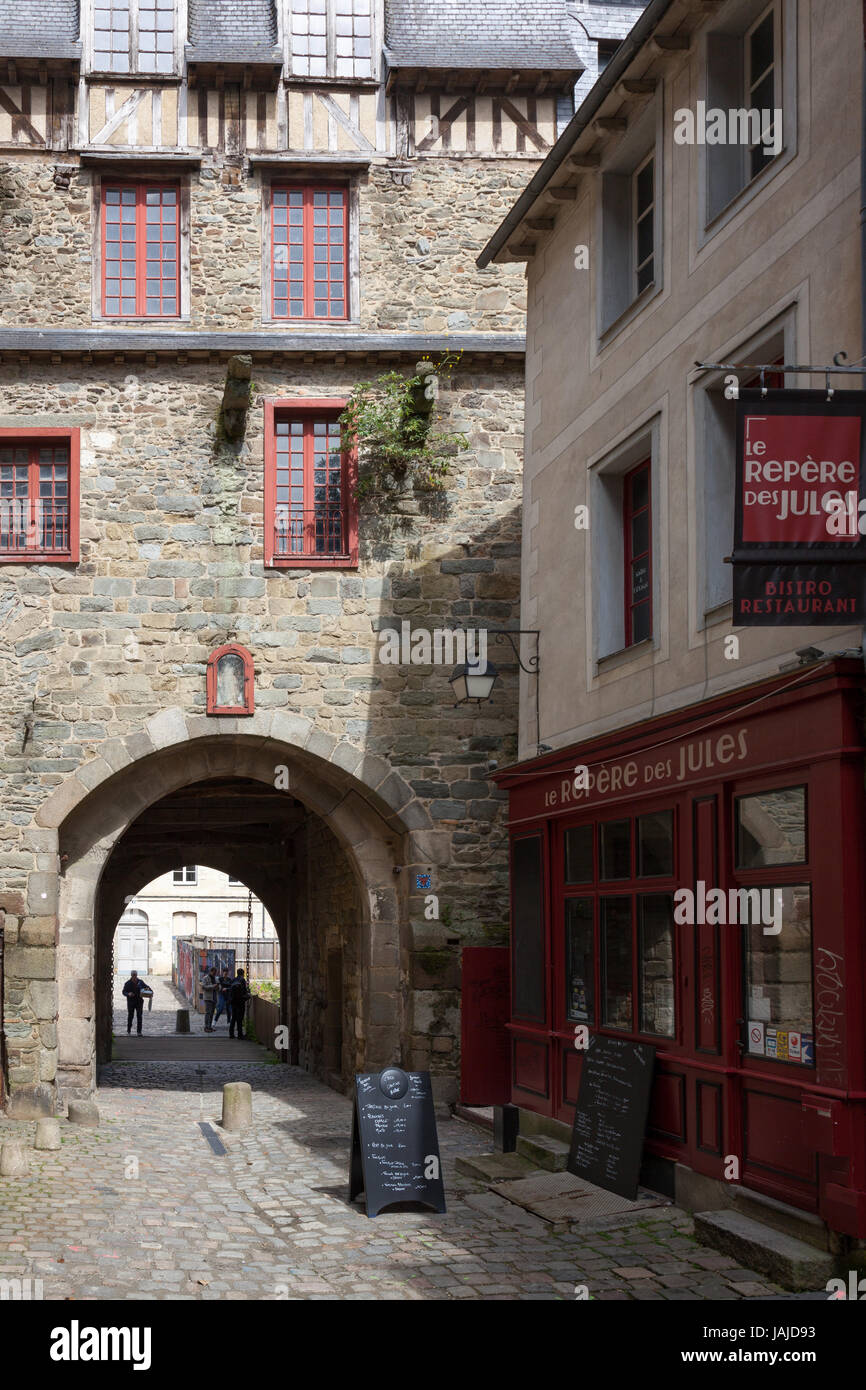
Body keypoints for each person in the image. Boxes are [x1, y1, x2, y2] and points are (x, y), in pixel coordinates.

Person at [122, 969, 152, 1036]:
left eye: (135, 975)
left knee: (139, 1016)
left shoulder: (140, 982)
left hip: (139, 1002)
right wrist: (128, 994)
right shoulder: (127, 983)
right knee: (130, 1016)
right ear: (131, 975)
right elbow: (123, 992)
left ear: (137, 975)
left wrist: (148, 992)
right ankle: (128, 1030)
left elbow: (148, 988)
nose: (134, 976)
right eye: (133, 975)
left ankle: (139, 1032)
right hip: (131, 1002)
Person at [228, 969, 251, 1039]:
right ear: (243, 973)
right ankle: (240, 1035)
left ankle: (231, 1034)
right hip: (240, 1002)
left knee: (233, 1018)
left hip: (233, 1002)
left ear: (237, 973)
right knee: (239, 1019)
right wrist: (247, 995)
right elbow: (244, 991)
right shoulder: (242, 980)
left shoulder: (233, 980)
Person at [200, 966, 219, 1032]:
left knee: (212, 1013)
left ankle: (210, 1026)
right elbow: (203, 987)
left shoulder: (216, 978)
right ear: (211, 971)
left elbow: (218, 988)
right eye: (214, 973)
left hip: (214, 998)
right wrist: (212, 986)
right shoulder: (205, 978)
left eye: (215, 973)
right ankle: (206, 1027)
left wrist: (218, 987)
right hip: (208, 998)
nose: (215, 974)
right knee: (208, 1013)